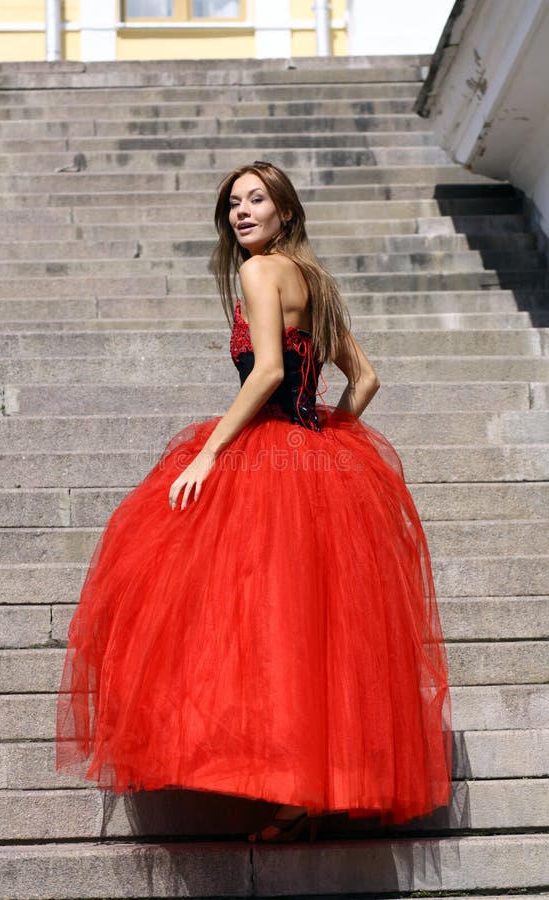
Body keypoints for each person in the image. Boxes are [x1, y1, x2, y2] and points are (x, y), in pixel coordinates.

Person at [55, 160, 452, 843]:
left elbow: (269, 369)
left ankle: (265, 774)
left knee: (236, 614)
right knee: (302, 625)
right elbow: (366, 378)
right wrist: (331, 442)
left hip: (266, 453)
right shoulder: (315, 279)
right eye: (233, 203)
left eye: (256, 200)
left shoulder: (258, 272)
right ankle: (303, 793)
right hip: (314, 457)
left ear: (285, 212)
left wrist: (210, 454)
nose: (242, 212)